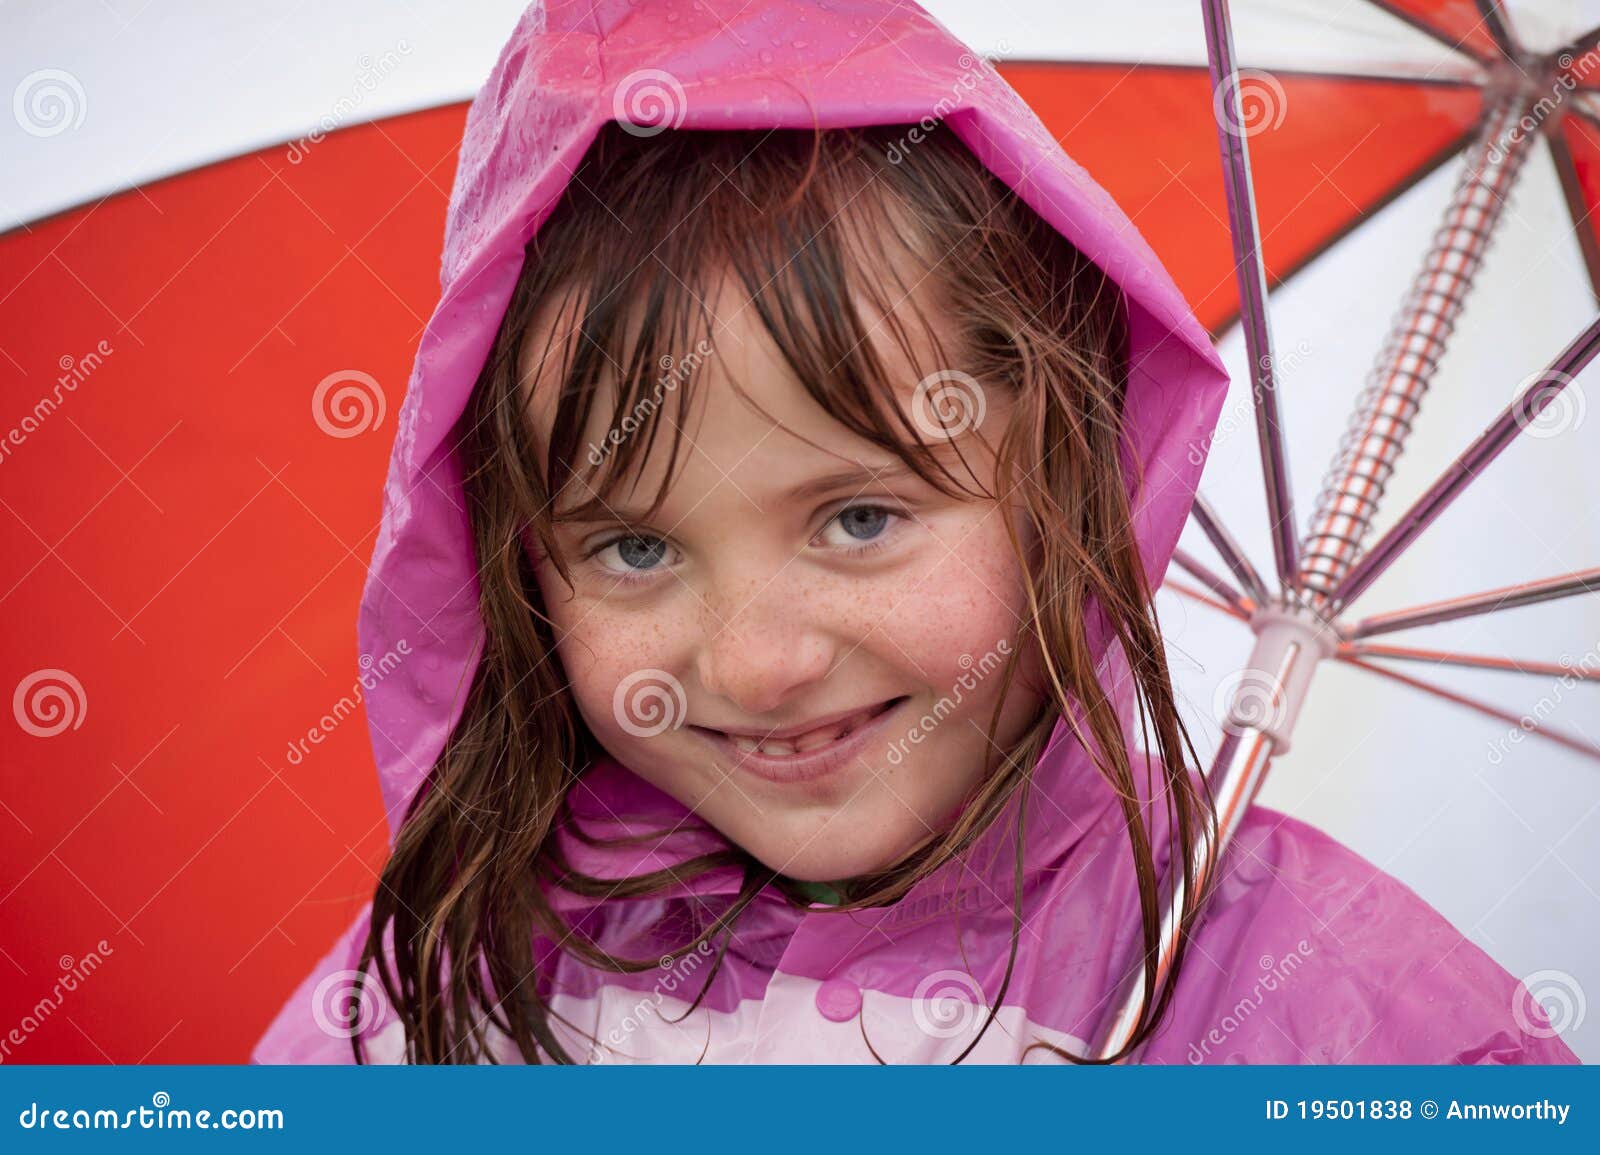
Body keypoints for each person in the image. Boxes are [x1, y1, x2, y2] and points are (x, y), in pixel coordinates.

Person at [251, 0, 1579, 1065]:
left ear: (1057, 484)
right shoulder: (433, 1012)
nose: (758, 665)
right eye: (635, 549)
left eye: (862, 517)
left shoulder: (1361, 1035)